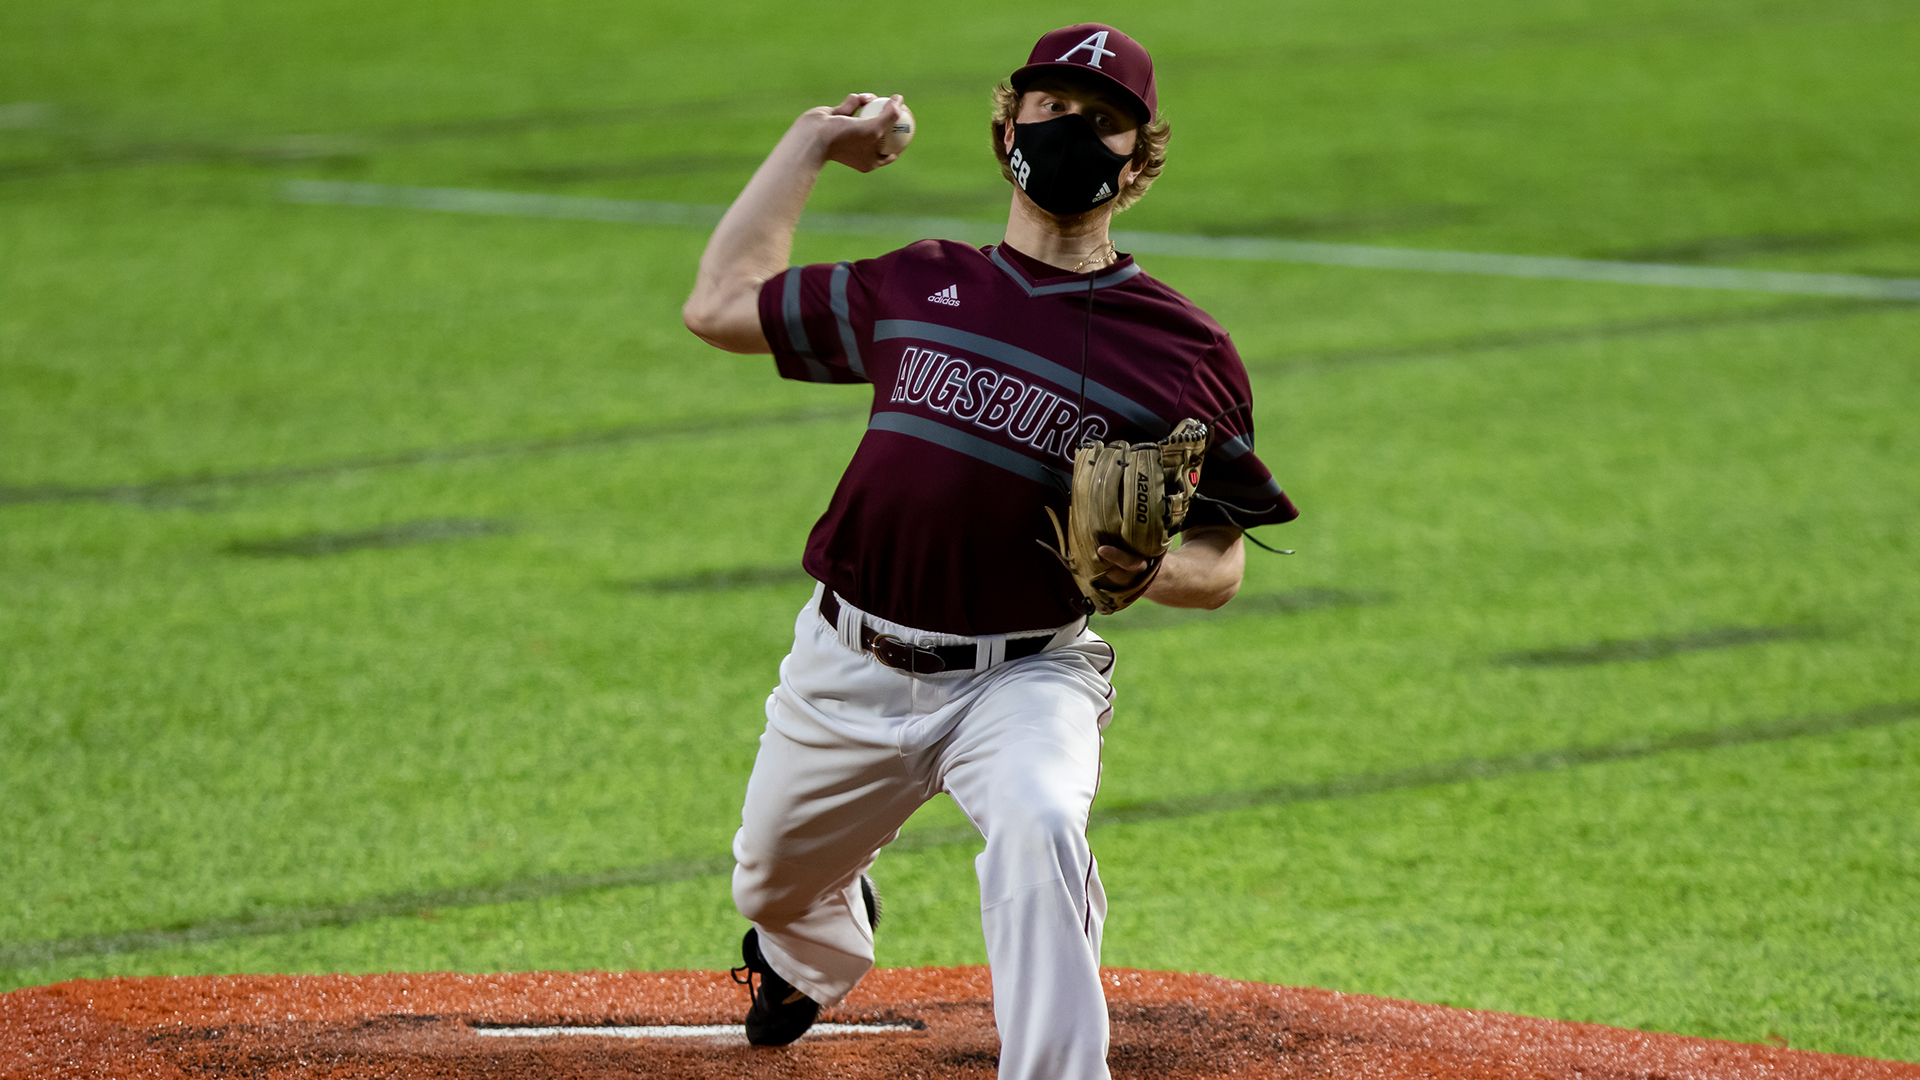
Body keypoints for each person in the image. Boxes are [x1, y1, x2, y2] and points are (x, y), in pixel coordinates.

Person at [680, 22, 1298, 1080]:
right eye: (1055, 111)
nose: (1074, 134)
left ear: (1139, 161)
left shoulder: (1184, 352)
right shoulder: (921, 282)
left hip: (1026, 673)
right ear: (1008, 127)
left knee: (1041, 820)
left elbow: (1222, 560)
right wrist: (811, 143)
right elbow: (719, 307)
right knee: (773, 885)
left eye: (1104, 123)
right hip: (848, 667)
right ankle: (811, 946)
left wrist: (1150, 574)